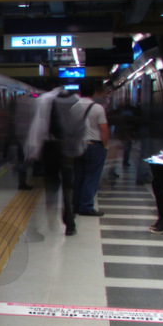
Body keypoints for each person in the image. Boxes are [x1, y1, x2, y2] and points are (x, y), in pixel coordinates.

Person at [26, 86, 79, 235]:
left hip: (50, 149)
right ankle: (70, 223)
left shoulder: (45, 100)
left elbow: (39, 128)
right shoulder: (77, 102)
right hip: (69, 149)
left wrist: (33, 151)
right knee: (68, 186)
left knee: (51, 185)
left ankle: (51, 218)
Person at [71, 79, 109, 217]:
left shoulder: (74, 107)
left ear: (79, 92)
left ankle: (75, 205)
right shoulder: (98, 108)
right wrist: (105, 146)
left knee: (78, 176)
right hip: (94, 145)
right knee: (91, 176)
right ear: (93, 93)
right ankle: (86, 206)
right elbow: (103, 129)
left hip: (78, 145)